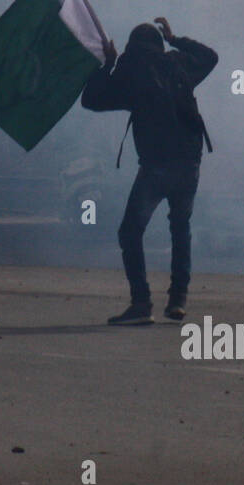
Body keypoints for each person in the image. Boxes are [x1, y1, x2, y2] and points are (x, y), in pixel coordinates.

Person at [82, 16, 217, 324]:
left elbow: (90, 100)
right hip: (189, 164)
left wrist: (108, 64)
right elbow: (211, 57)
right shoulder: (178, 64)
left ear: (131, 47)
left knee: (130, 232)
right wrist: (175, 38)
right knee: (180, 227)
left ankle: (142, 303)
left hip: (156, 167)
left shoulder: (130, 72)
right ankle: (178, 300)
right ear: (158, 44)